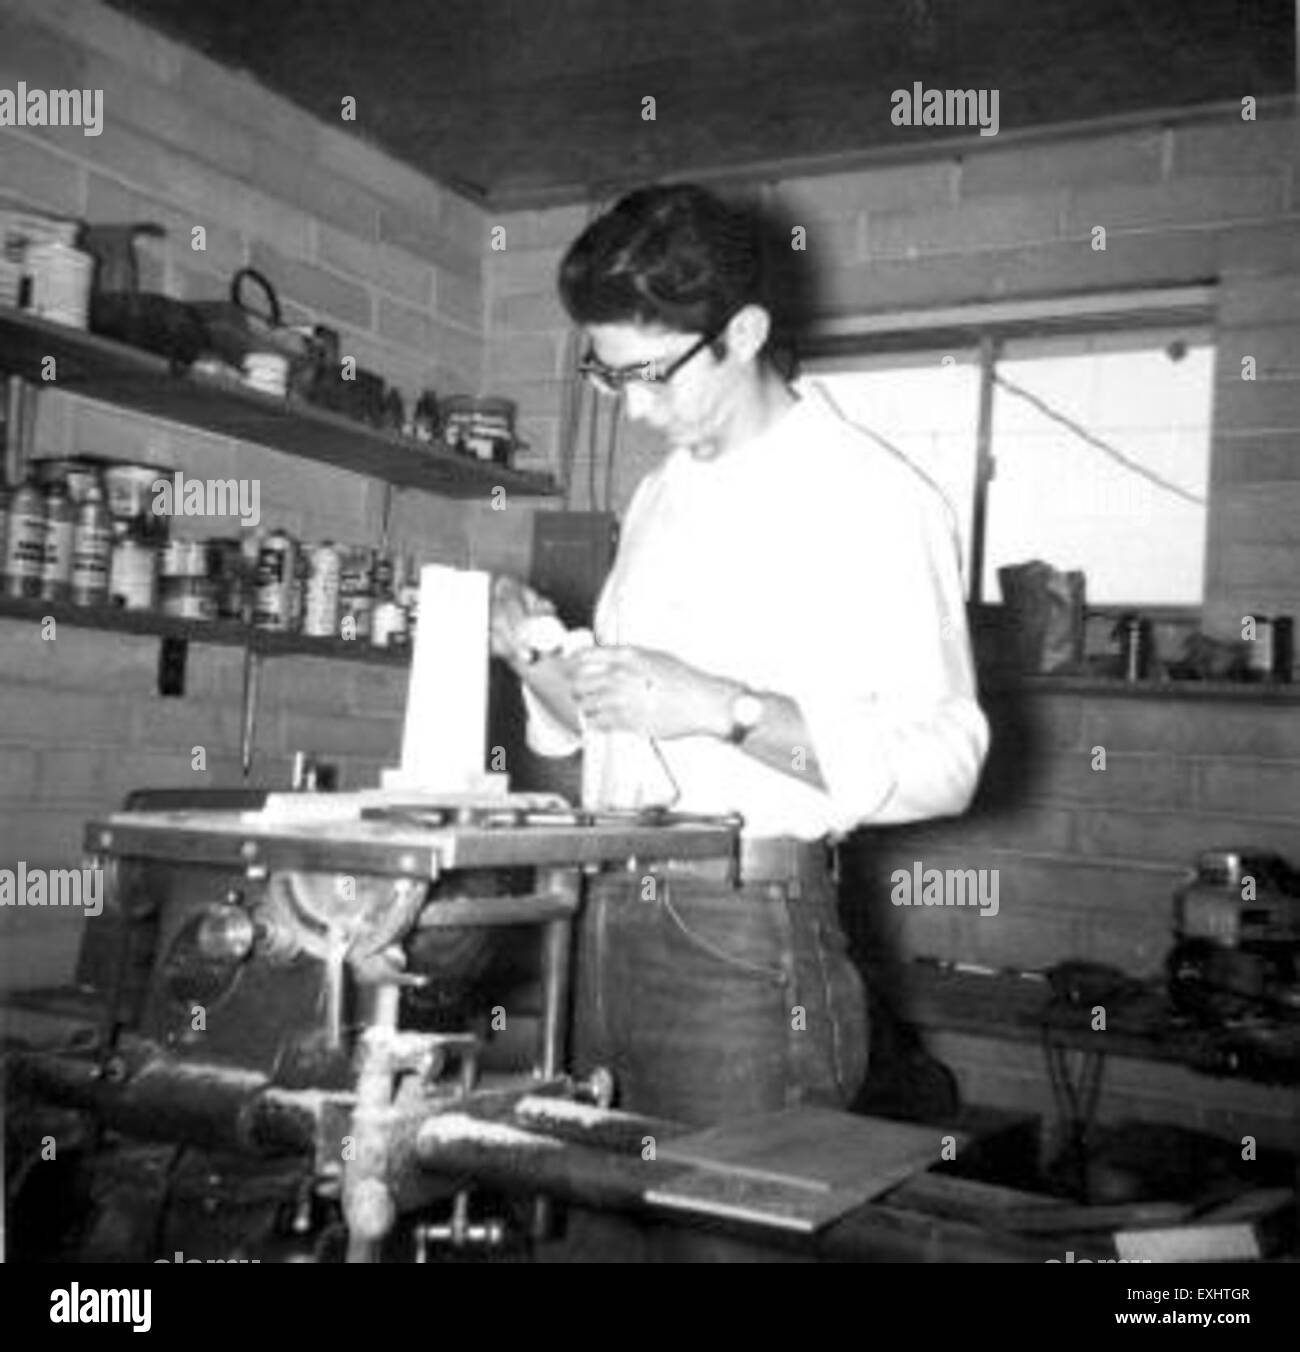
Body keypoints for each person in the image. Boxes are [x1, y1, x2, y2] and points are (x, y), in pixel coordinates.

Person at [491, 183, 989, 1131]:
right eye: (610, 377)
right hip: (599, 909)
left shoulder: (874, 497)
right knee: (590, 1228)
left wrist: (729, 708)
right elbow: (620, 732)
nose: (633, 411)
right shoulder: (660, 497)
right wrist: (538, 665)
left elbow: (949, 762)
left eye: (654, 375)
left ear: (747, 332)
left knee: (724, 1231)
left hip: (741, 934)